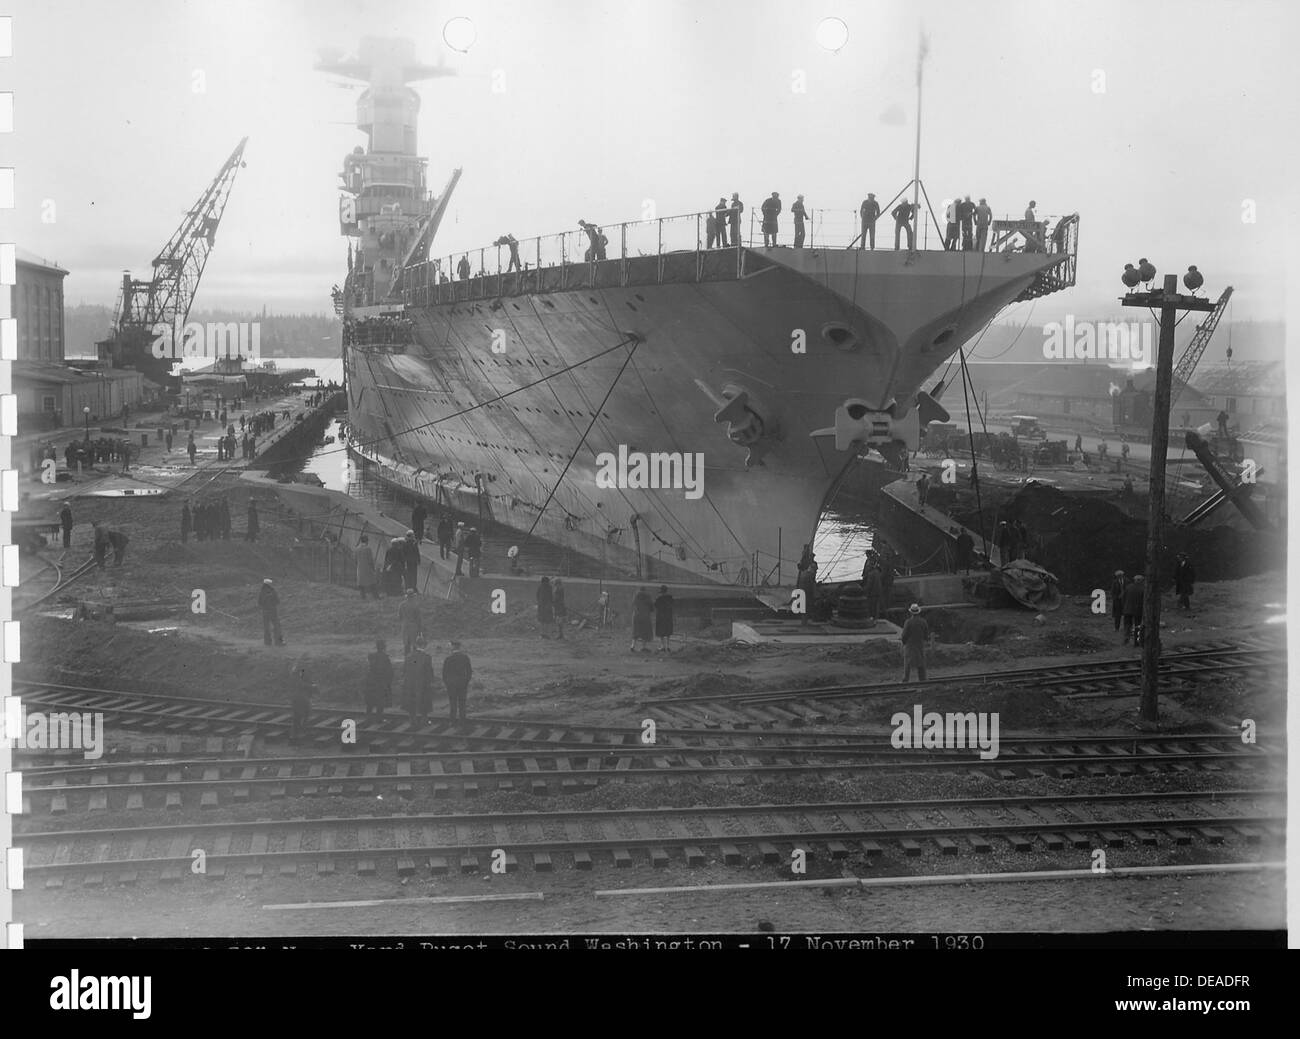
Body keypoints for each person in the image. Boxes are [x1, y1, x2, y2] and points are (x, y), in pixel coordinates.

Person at [402, 635, 435, 728]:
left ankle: (413, 721)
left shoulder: (409, 656)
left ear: (416, 645)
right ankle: (424, 720)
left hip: (411, 683)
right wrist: (431, 681)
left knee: (411, 702)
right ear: (424, 645)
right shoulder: (427, 657)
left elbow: (404, 670)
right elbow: (429, 672)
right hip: (423, 683)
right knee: (424, 702)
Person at [443, 641, 472, 722]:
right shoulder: (465, 657)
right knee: (462, 704)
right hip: (462, 685)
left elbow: (444, 674)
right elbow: (469, 672)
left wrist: (447, 684)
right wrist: (466, 682)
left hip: (451, 685)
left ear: (452, 647)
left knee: (453, 704)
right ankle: (462, 721)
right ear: (459, 647)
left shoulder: (448, 659)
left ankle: (452, 721)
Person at [900, 603, 929, 682]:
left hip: (910, 645)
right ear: (919, 612)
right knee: (921, 661)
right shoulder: (923, 622)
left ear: (911, 612)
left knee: (907, 662)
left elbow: (904, 635)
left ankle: (906, 678)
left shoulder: (908, 622)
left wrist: (903, 642)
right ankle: (922, 679)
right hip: (920, 644)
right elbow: (926, 635)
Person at [290, 664, 315, 741]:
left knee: (305, 714)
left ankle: (300, 732)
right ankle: (296, 735)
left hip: (303, 698)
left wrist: (312, 686)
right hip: (299, 698)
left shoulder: (300, 673)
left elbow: (306, 681)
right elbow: (300, 684)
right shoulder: (296, 677)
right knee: (298, 716)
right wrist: (312, 686)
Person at [398, 587, 424, 655]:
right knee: (414, 644)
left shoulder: (401, 605)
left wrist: (403, 622)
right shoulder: (416, 605)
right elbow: (418, 618)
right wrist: (420, 628)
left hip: (405, 626)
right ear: (413, 596)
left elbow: (400, 617)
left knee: (406, 644)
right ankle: (415, 660)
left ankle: (407, 659)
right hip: (413, 626)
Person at [259, 578, 285, 646]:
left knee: (266, 627)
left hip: (264, 612)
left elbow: (259, 602)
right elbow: (277, 601)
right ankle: (278, 642)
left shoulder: (262, 592)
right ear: (269, 584)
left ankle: (267, 642)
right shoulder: (273, 591)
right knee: (277, 626)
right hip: (273, 611)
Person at [1121, 574, 1145, 646]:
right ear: (1141, 581)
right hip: (1138, 611)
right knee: (1137, 626)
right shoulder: (1143, 589)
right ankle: (1137, 642)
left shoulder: (1128, 587)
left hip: (1127, 610)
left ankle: (1126, 639)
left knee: (1127, 625)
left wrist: (1124, 606)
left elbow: (1123, 598)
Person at [355, 534, 380, 599]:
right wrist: (373, 568)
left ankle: (363, 597)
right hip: (368, 569)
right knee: (372, 582)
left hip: (360, 569)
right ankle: (376, 597)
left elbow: (355, 560)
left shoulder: (357, 548)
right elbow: (371, 560)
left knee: (361, 584)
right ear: (366, 541)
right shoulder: (368, 549)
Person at [631, 586, 654, 652]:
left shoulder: (636, 596)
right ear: (645, 590)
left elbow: (633, 605)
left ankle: (632, 646)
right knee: (645, 632)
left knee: (635, 631)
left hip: (636, 616)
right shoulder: (648, 596)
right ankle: (643, 647)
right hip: (645, 616)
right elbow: (652, 607)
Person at [654, 585, 674, 652]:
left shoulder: (659, 598)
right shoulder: (670, 598)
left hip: (661, 617)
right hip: (668, 616)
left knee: (661, 632)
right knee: (668, 631)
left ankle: (663, 646)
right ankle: (668, 646)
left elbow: (655, 606)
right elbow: (673, 605)